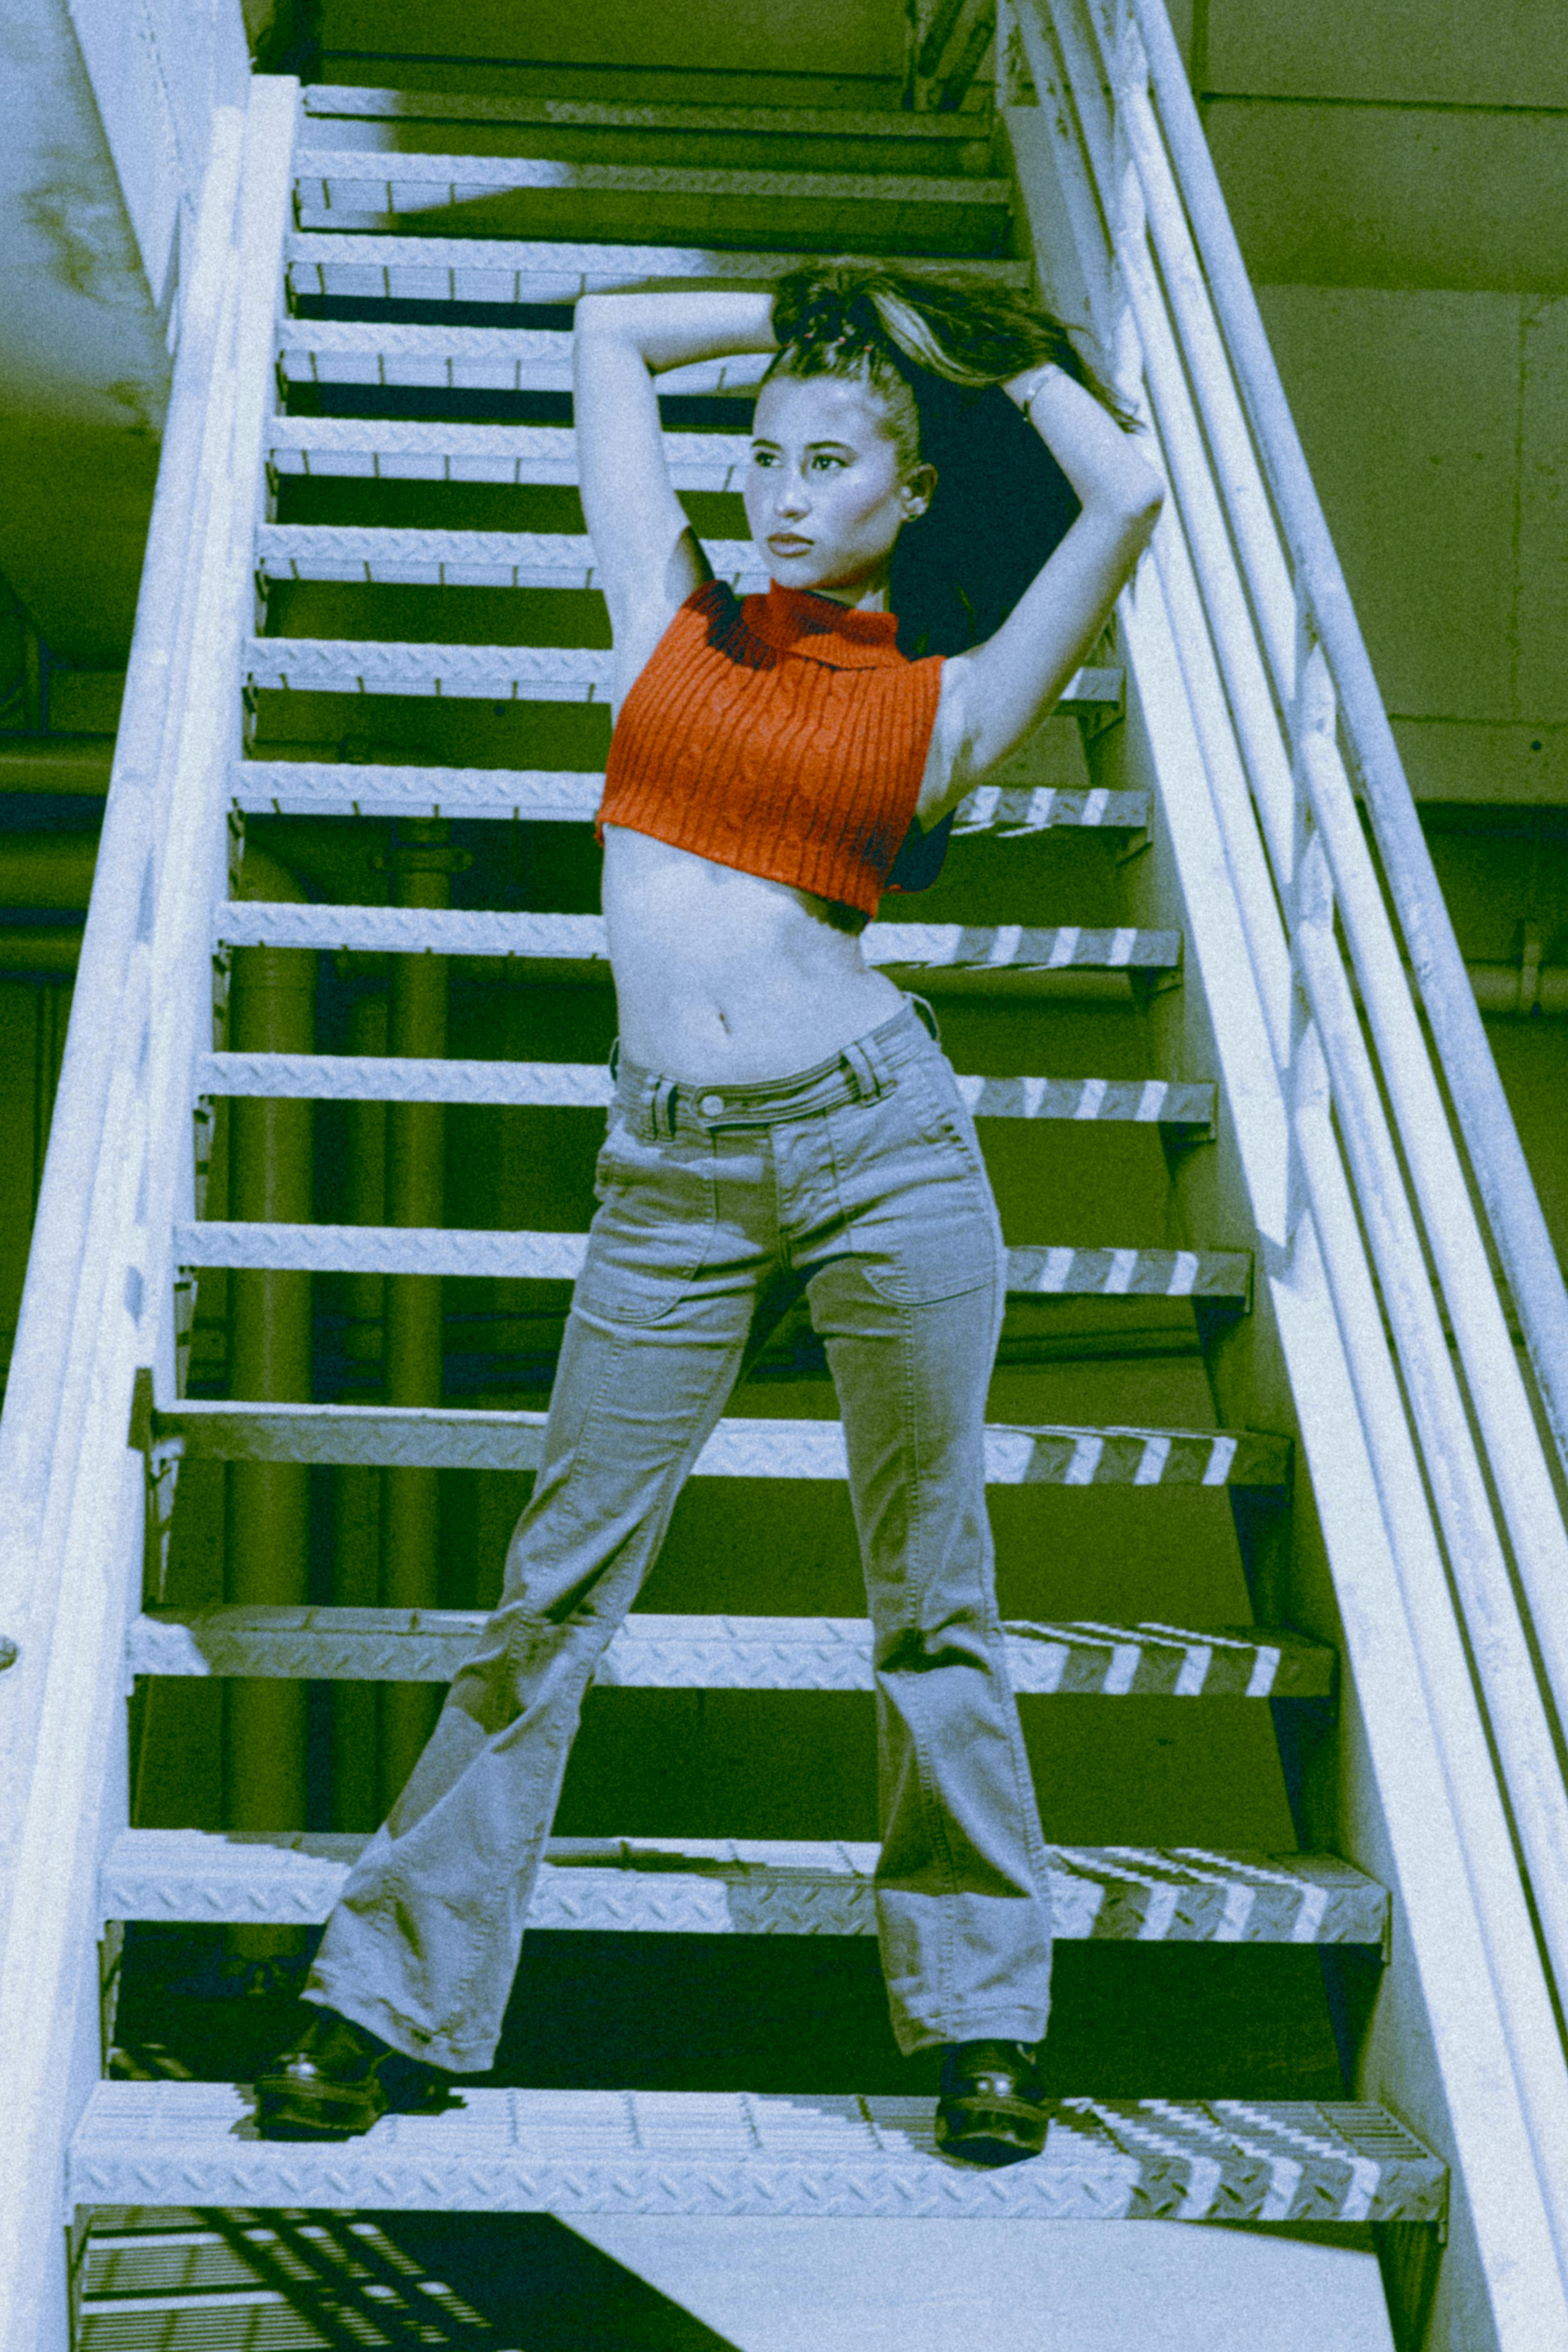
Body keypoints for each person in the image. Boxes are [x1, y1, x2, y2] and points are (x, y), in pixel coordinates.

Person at [255, 265, 1163, 2165]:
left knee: (935, 1601)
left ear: (907, 498)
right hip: (666, 1172)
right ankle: (384, 2000)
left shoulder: (947, 700)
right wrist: (802, 304)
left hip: (880, 1151)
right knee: (551, 1598)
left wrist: (964, 340)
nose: (780, 489)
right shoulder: (662, 620)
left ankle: (985, 2024)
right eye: (763, 454)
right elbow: (597, 337)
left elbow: (1130, 492)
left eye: (832, 463)